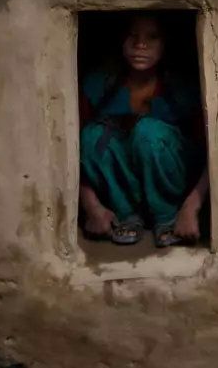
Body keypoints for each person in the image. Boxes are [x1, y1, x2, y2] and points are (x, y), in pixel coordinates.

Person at [78, 14, 208, 246]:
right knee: (91, 136)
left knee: (148, 132)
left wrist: (191, 207)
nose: (140, 45)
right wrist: (91, 207)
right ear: (120, 39)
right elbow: (69, 152)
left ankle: (166, 217)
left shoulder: (183, 89)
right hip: (121, 194)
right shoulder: (98, 84)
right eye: (132, 36)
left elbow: (215, 154)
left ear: (166, 43)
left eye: (152, 37)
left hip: (176, 191)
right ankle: (126, 215)